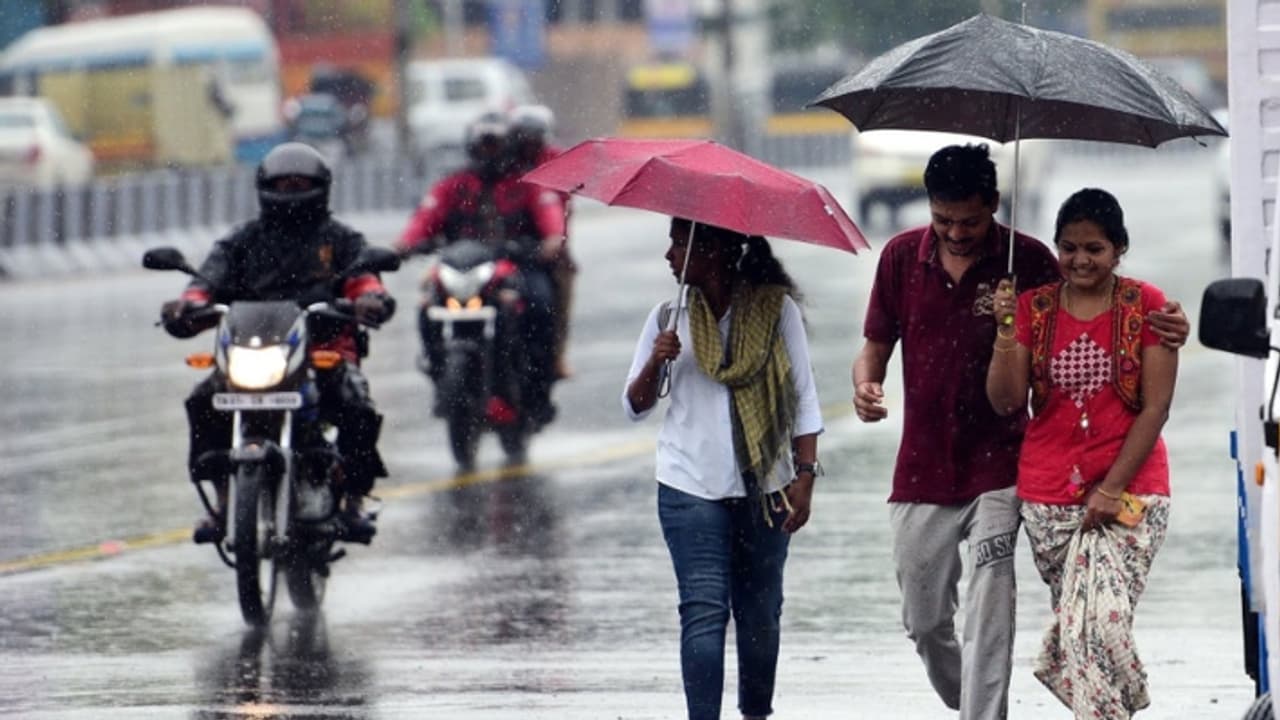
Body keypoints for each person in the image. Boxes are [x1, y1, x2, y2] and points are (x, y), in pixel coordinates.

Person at [850, 144, 1188, 720]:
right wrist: (866, 385)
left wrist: (1171, 324)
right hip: (923, 466)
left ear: (994, 205)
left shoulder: (1027, 260)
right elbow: (875, 346)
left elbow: (1097, 297)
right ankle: (976, 702)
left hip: (1001, 469)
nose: (956, 233)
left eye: (969, 220)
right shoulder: (902, 257)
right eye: (942, 220)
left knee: (990, 610)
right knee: (925, 620)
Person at [986, 188, 1175, 718]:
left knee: (1100, 625)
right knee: (1080, 631)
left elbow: (1156, 408)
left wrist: (1111, 489)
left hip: (1132, 492)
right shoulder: (1034, 308)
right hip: (1049, 497)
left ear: (1119, 250)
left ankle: (1109, 705)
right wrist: (1004, 328)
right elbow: (1005, 401)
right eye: (1068, 248)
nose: (1080, 260)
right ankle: (1119, 701)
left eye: (1094, 248)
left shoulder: (1149, 306)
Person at [623, 218, 823, 720]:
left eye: (680, 245)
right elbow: (635, 404)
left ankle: (756, 712)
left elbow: (804, 397)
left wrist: (805, 475)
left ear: (714, 251)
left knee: (759, 618)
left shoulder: (777, 311)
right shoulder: (669, 317)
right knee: (703, 611)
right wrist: (656, 360)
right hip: (688, 484)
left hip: (767, 484)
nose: (670, 256)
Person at [159, 142, 395, 543]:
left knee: (354, 401)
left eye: (299, 183)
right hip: (252, 350)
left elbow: (364, 278)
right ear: (263, 187)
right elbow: (206, 284)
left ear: (321, 188)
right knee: (203, 401)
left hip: (324, 349)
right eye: (281, 184)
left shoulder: (339, 239)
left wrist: (368, 299)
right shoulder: (242, 241)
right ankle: (224, 500)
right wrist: (187, 306)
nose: (290, 191)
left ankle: (353, 498)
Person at [398, 112, 566, 424]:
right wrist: (405, 245)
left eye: (495, 145)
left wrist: (551, 241)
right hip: (461, 269)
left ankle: (537, 390)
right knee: (427, 306)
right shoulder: (453, 185)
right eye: (483, 145)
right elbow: (425, 218)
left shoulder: (528, 183)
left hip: (515, 266)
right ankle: (437, 371)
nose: (489, 152)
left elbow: (549, 215)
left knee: (541, 305)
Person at [510, 104, 577, 380]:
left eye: (533, 137)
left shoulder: (557, 161)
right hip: (505, 243)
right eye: (523, 137)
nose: (528, 144)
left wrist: (553, 240)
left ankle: (556, 354)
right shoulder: (505, 163)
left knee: (559, 290)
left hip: (546, 246)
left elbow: (558, 207)